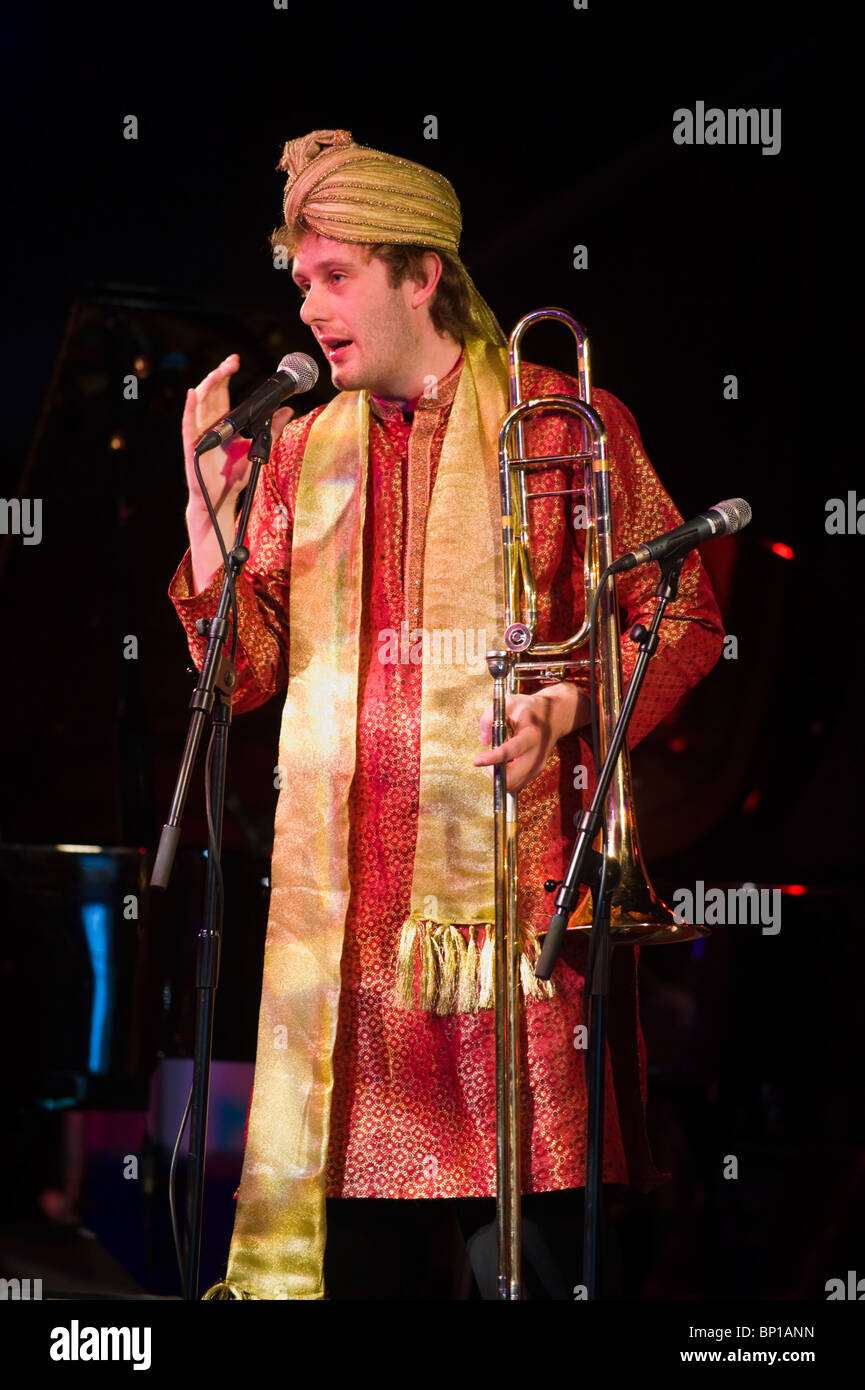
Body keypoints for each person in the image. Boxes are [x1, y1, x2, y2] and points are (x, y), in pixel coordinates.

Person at [169, 128, 725, 1300]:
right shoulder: (296, 450)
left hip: (508, 943)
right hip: (345, 961)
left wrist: (571, 709)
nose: (307, 307)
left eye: (335, 276)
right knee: (355, 1271)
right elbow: (243, 675)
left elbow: (680, 615)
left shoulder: (562, 420)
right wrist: (204, 520)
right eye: (301, 279)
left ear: (421, 273)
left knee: (520, 1256)